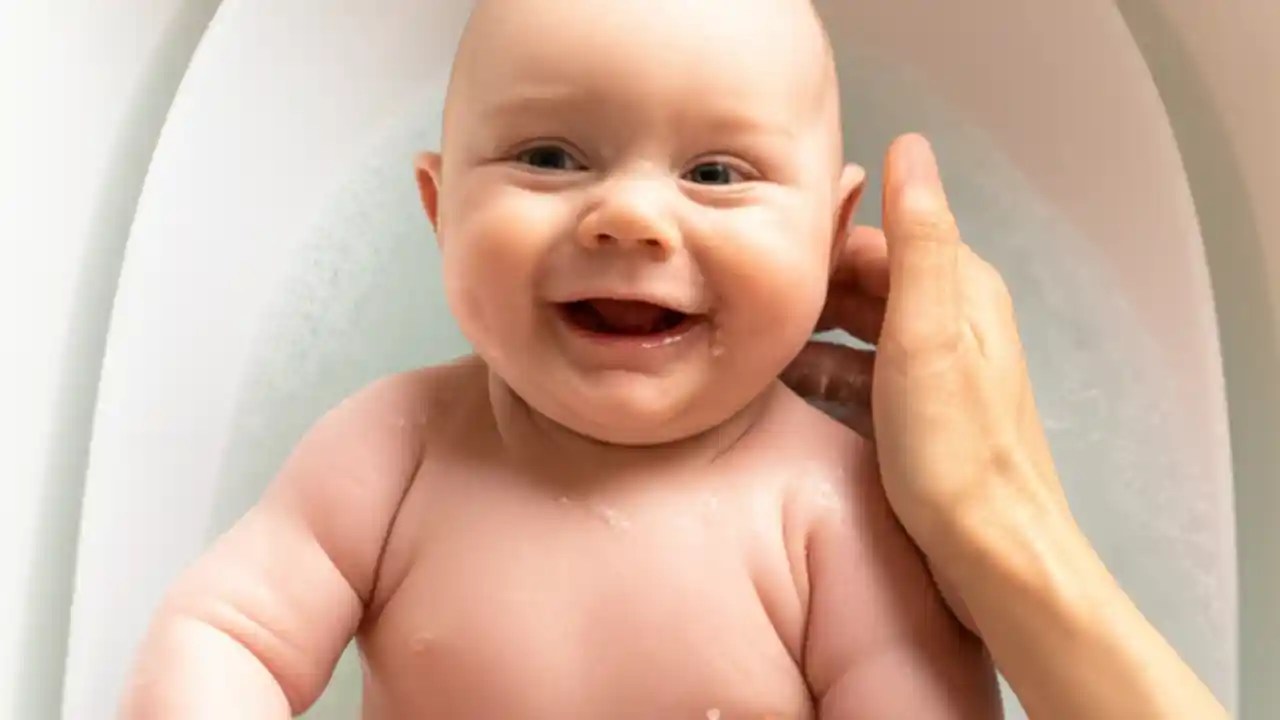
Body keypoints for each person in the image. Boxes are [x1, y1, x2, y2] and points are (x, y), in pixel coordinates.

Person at [121, 0, 1000, 717]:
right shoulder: (394, 450)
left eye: (718, 174)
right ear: (441, 210)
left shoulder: (839, 510)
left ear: (832, 233)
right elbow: (228, 636)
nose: (630, 214)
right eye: (549, 158)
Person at [784, 132, 1230, 719]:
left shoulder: (828, 504)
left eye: (714, 175)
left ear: (831, 220)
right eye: (611, 161)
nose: (630, 215)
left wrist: (984, 507)